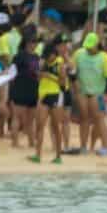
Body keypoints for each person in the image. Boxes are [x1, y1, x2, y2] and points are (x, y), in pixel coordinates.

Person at [72, 32, 107, 156]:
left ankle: (106, 146)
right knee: (84, 118)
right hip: (83, 91)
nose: (89, 49)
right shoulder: (79, 54)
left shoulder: (104, 57)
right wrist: (75, 86)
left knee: (100, 118)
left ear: (97, 45)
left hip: (99, 92)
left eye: (91, 46)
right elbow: (72, 70)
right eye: (87, 46)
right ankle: (83, 146)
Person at [33, 35, 70, 164]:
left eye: (50, 56)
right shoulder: (42, 62)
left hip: (55, 94)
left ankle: (58, 155)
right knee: (40, 125)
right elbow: (38, 78)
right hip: (43, 94)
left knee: (56, 126)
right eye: (47, 56)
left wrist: (48, 76)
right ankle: (38, 154)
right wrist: (40, 74)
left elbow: (63, 81)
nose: (49, 58)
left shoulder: (59, 63)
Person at [10, 29, 41, 151]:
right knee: (17, 116)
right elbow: (12, 73)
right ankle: (15, 142)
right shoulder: (19, 56)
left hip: (33, 88)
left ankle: (31, 142)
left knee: (31, 118)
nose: (35, 44)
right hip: (21, 87)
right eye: (33, 42)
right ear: (27, 42)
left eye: (36, 42)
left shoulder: (37, 57)